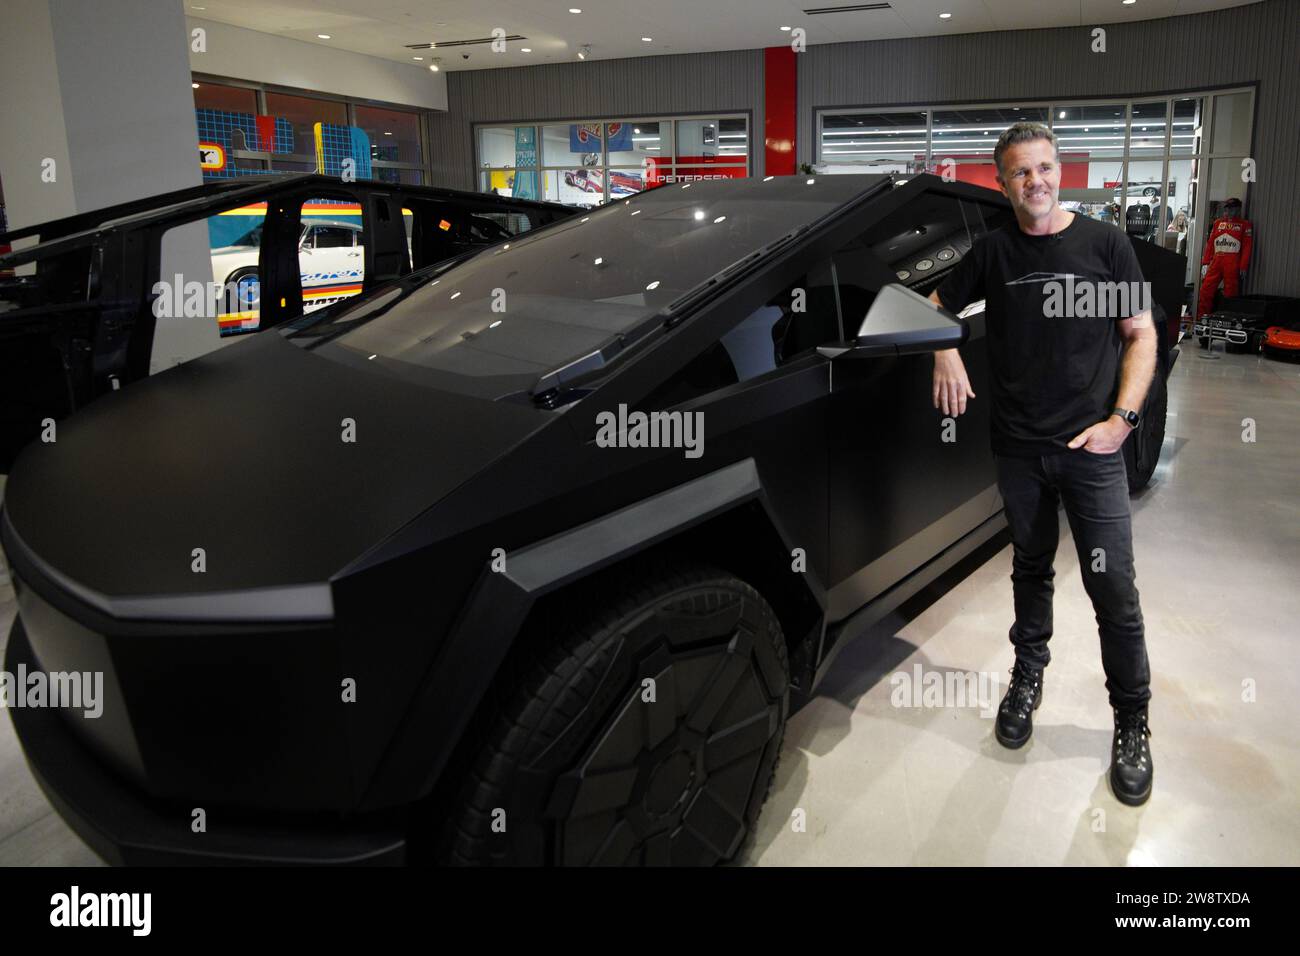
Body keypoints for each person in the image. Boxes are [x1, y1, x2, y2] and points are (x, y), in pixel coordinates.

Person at [928, 122, 1157, 806]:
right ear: (1001, 184)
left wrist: (1123, 422)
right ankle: (1028, 678)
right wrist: (944, 348)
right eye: (1021, 173)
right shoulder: (993, 252)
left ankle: (1133, 720)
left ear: (1062, 171)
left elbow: (1141, 333)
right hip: (1019, 450)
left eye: (1046, 168)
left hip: (1091, 452)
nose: (1037, 182)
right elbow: (933, 306)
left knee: (1113, 591)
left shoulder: (1103, 244)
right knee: (1030, 570)